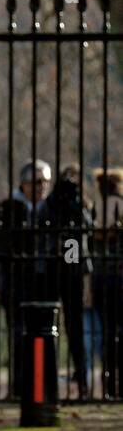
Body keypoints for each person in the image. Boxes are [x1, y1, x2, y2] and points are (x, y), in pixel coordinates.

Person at [0, 159, 53, 396]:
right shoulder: (6, 209)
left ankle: (43, 387)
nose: (42, 187)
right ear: (23, 184)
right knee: (18, 334)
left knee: (46, 334)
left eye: (46, 181)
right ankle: (19, 385)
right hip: (16, 281)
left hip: (45, 279)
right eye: (36, 181)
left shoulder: (53, 209)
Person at [44, 164, 94, 397]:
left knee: (63, 326)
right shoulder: (72, 203)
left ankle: (74, 376)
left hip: (63, 266)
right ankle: (73, 377)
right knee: (64, 327)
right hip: (66, 267)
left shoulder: (65, 204)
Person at [92, 167, 123, 397]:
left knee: (106, 333)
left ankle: (108, 384)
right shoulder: (119, 205)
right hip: (118, 276)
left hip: (101, 277)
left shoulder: (95, 207)